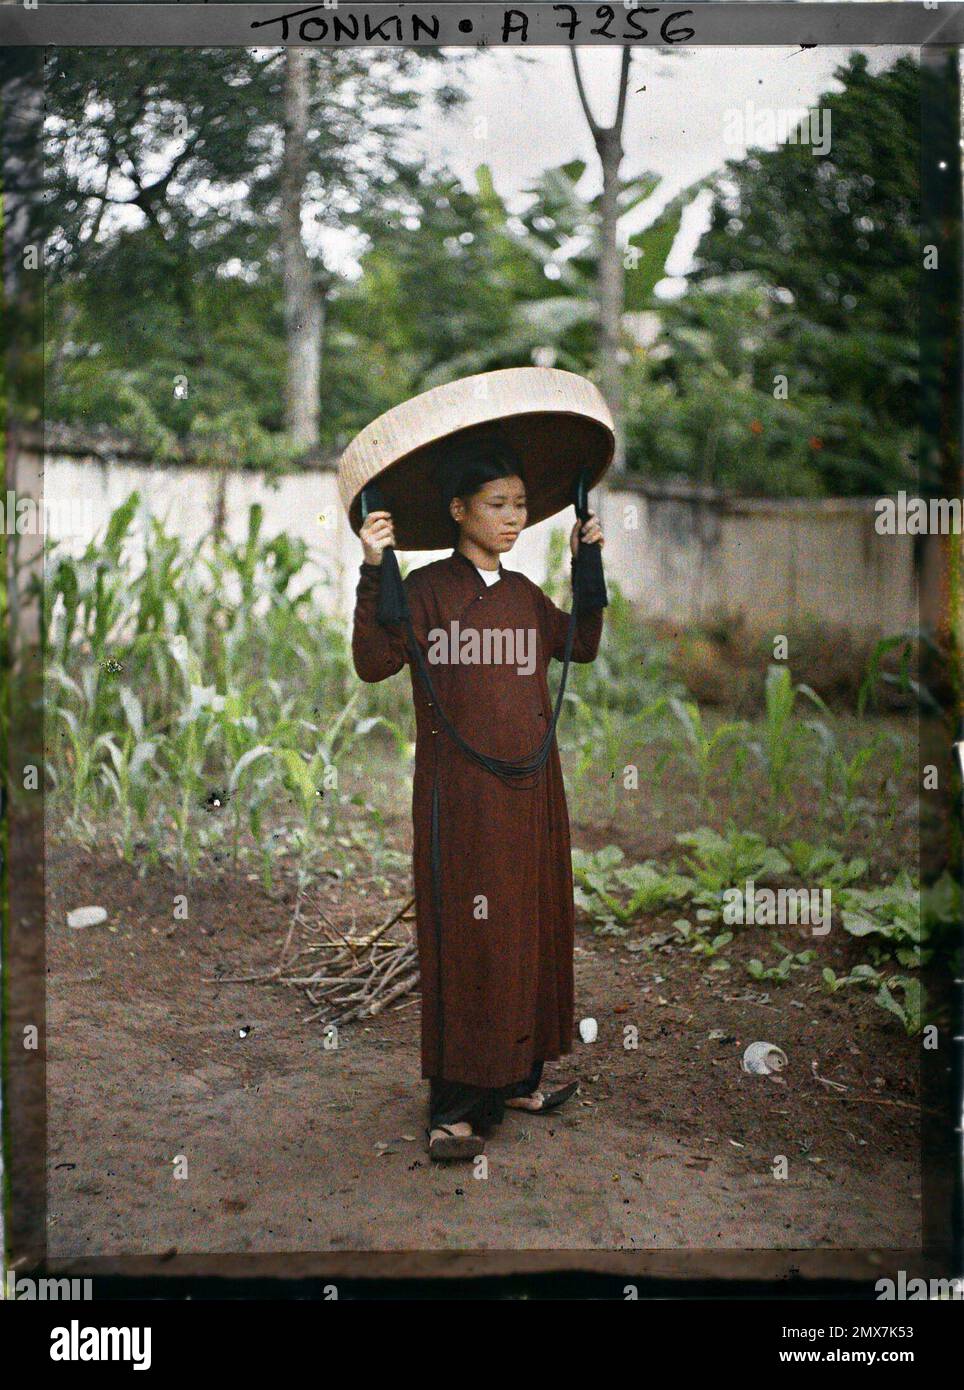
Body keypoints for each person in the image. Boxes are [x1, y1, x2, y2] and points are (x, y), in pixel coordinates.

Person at [351, 432, 605, 1161]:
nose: (513, 518)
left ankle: (520, 1078)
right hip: (461, 802)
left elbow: (580, 646)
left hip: (531, 791)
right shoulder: (426, 590)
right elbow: (373, 662)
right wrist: (375, 569)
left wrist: (588, 559)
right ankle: (458, 1108)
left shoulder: (525, 597)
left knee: (529, 925)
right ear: (459, 510)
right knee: (472, 938)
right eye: (497, 504)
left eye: (522, 505)